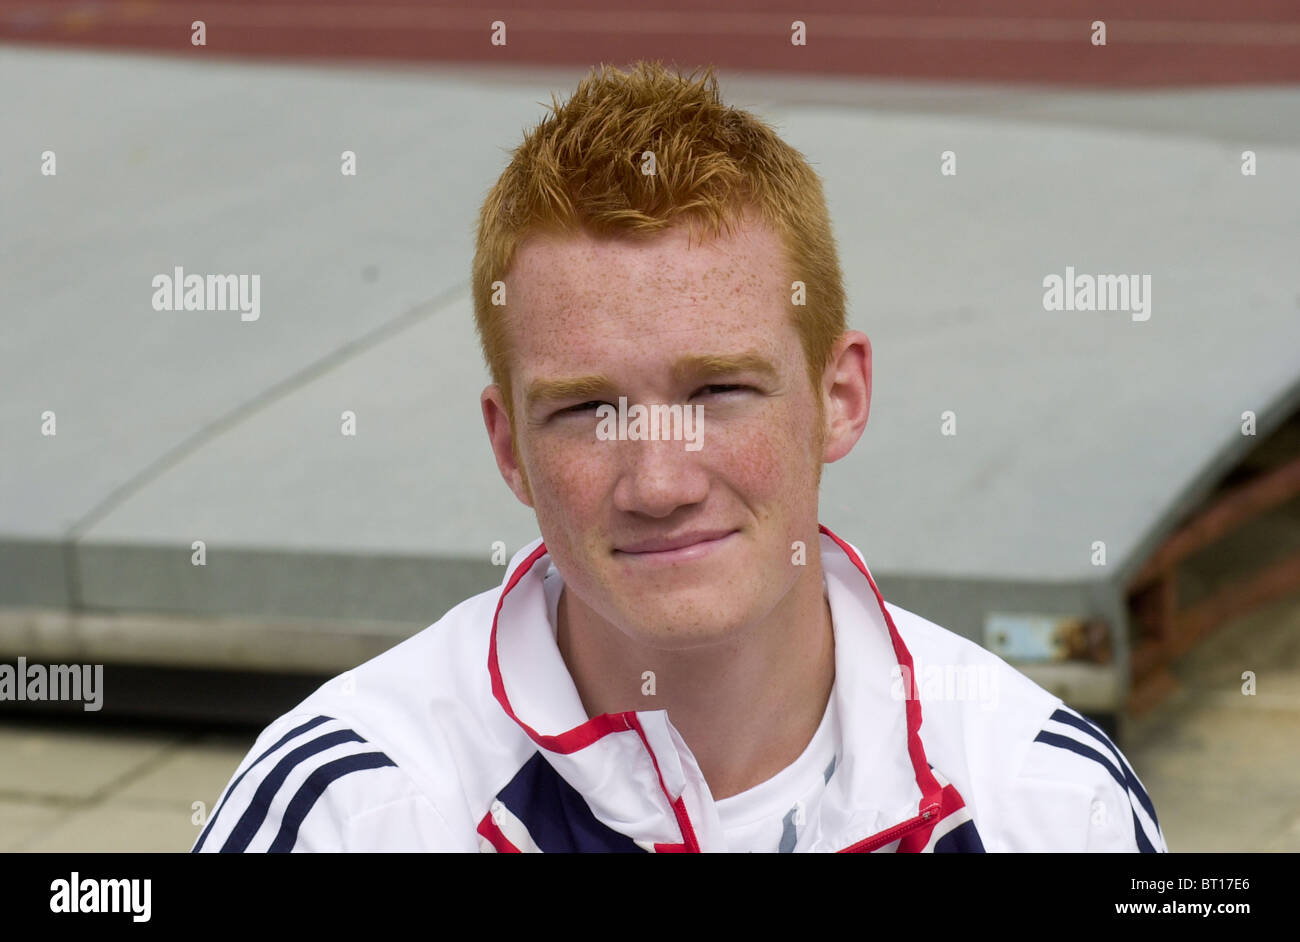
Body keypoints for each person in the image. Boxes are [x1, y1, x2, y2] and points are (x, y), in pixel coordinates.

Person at [194, 62, 1166, 853]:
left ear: (840, 399)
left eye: (718, 393)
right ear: (510, 449)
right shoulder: (351, 817)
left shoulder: (1050, 807)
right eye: (585, 409)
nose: (659, 483)